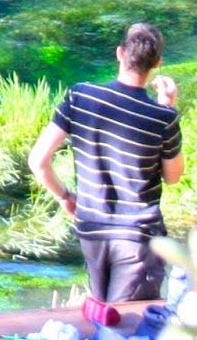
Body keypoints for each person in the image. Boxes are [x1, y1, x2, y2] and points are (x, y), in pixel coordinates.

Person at [29, 22, 184, 307]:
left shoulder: (80, 96)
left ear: (120, 54)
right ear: (158, 63)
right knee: (129, 325)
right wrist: (168, 106)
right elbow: (172, 177)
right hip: (138, 236)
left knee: (104, 317)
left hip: (91, 229)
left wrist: (65, 197)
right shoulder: (163, 117)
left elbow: (38, 161)